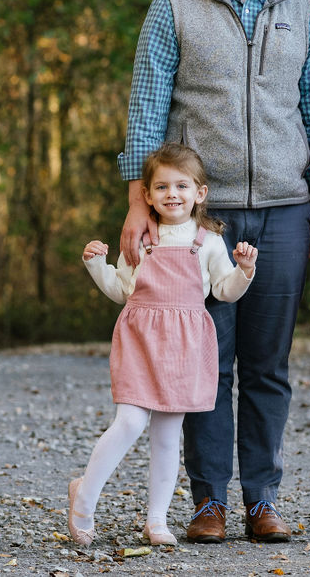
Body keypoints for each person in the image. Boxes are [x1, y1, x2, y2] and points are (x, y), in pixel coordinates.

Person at [117, 0, 310, 544]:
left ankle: (261, 498)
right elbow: (146, 109)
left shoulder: (303, 9)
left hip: (285, 210)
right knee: (204, 363)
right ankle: (208, 499)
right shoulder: (174, 5)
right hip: (195, 222)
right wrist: (137, 206)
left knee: (268, 365)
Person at [71, 143, 259, 547]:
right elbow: (121, 290)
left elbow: (225, 291)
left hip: (186, 345)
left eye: (182, 185)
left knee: (169, 435)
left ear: (200, 193)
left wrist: (245, 270)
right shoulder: (140, 239)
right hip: (141, 339)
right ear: (147, 195)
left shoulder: (207, 241)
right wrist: (95, 266)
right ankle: (84, 498)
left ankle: (156, 521)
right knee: (131, 422)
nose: (172, 194)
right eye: (161, 187)